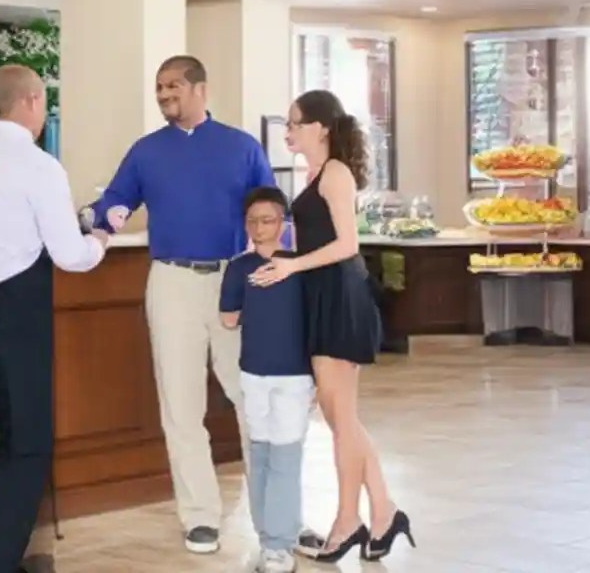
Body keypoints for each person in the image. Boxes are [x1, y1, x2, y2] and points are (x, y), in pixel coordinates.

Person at [84, 55, 324, 556]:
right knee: (181, 403)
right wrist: (98, 219)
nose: (164, 94)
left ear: (200, 89)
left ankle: (279, 517)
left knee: (253, 398)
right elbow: (113, 203)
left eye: (173, 86)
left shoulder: (241, 147)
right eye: (159, 88)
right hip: (171, 282)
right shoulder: (146, 151)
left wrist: (285, 274)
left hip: (235, 279)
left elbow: (271, 214)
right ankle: (199, 517)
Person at [0, 64, 111, 573]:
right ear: (33, 101)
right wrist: (100, 235)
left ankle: (0, 552)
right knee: (30, 445)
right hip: (13, 318)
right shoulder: (39, 166)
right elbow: (69, 255)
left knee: (13, 438)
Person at [249, 89, 411, 563]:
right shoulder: (316, 173)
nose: (288, 132)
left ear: (321, 127)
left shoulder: (335, 173)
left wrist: (291, 267)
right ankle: (380, 512)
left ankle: (352, 520)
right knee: (342, 417)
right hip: (324, 293)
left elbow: (346, 244)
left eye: (295, 123)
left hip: (340, 294)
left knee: (341, 418)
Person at [220, 188, 315, 573]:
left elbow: (233, 317)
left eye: (268, 220)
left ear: (284, 223)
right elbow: (227, 318)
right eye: (253, 221)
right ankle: (270, 540)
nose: (260, 228)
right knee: (261, 454)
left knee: (285, 457)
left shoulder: (301, 266)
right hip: (253, 375)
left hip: (294, 377)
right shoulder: (239, 268)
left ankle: (279, 544)